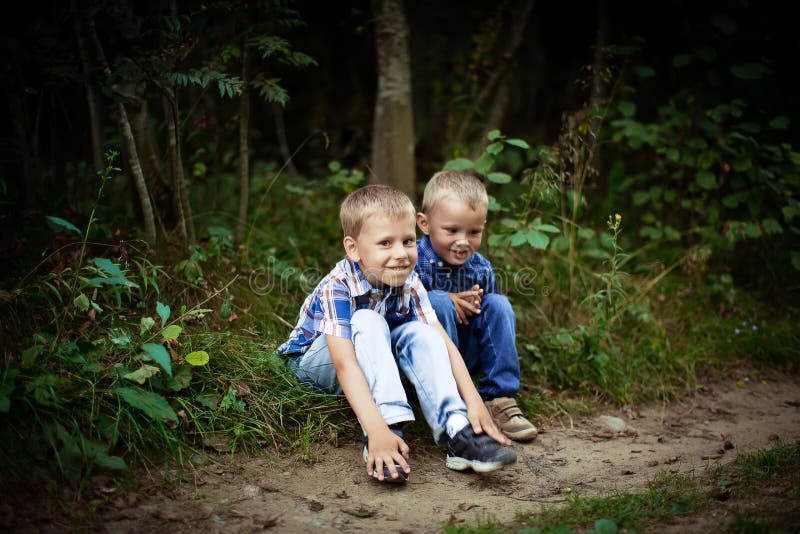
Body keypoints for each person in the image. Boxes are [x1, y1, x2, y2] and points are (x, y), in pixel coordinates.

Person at [277, 184, 516, 484]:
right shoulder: (337, 285)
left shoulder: (410, 281)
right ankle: (387, 431)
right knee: (367, 318)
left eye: (408, 241)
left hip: (367, 359)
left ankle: (458, 431)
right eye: (385, 243)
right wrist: (375, 428)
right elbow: (344, 365)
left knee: (421, 332)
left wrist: (474, 403)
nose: (401, 254)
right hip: (314, 367)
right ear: (353, 249)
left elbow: (442, 341)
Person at [415, 171, 538, 442]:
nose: (463, 241)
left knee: (498, 304)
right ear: (424, 223)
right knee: (436, 302)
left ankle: (497, 398)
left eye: (474, 232)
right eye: (452, 230)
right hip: (424, 361)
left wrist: (478, 306)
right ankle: (449, 404)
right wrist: (444, 298)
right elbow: (399, 312)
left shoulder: (480, 267)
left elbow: (491, 322)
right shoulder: (412, 259)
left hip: (465, 350)